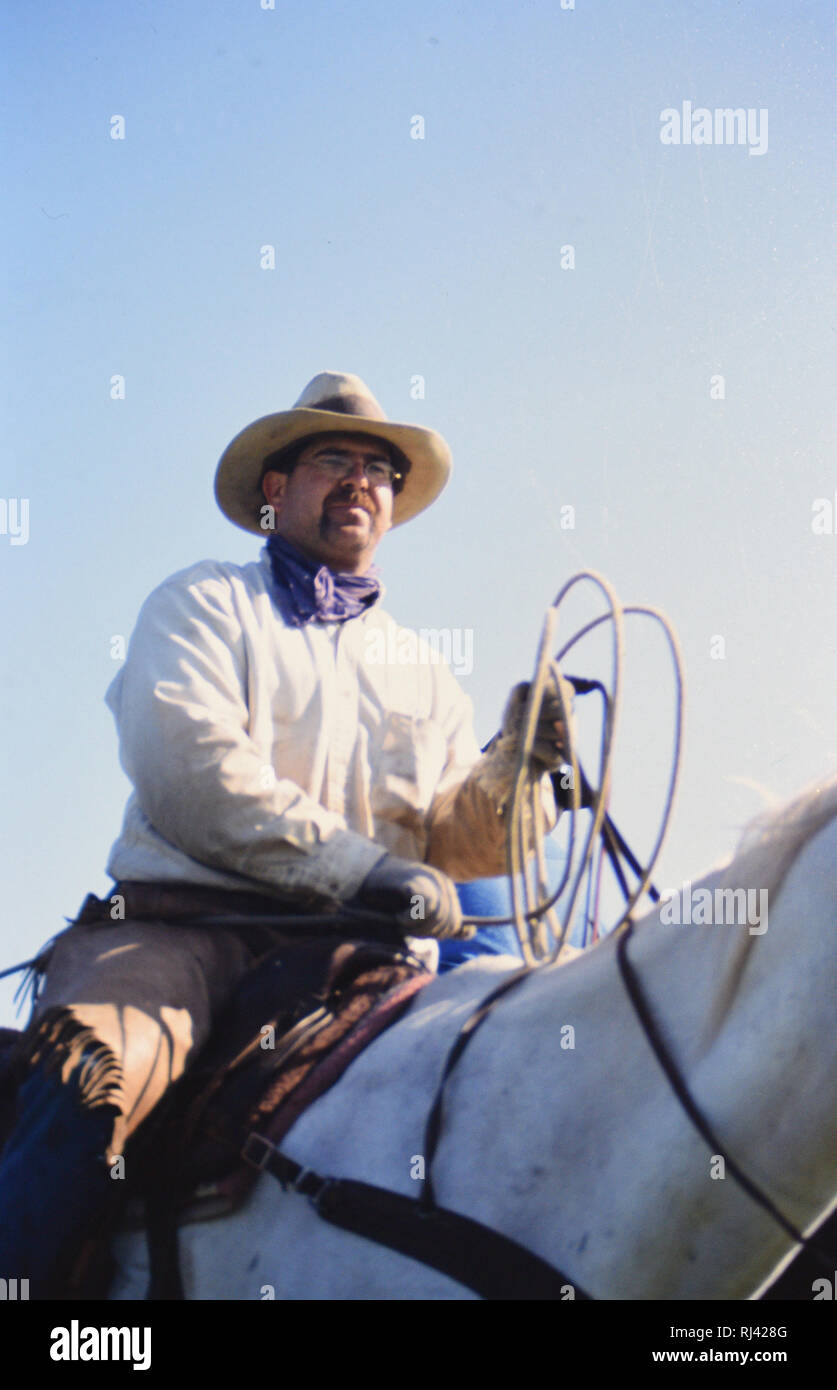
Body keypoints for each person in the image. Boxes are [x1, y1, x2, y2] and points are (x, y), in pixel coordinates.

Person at [0, 371, 569, 1296]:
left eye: (378, 469)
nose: (359, 481)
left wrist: (524, 773)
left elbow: (459, 840)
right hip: (184, 936)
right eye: (332, 460)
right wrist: (364, 871)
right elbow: (191, 771)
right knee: (93, 1082)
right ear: (276, 491)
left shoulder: (421, 671)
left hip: (363, 955)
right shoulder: (201, 602)